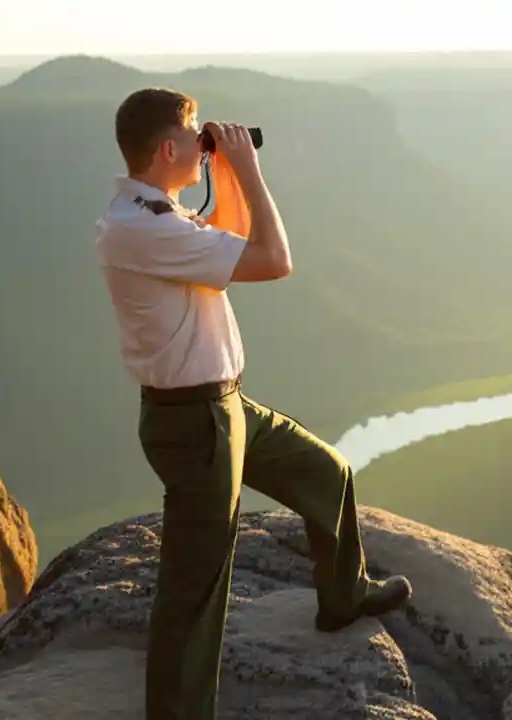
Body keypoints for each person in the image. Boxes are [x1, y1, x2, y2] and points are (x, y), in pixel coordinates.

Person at [93, 87, 411, 720]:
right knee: (198, 583)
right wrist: (252, 171)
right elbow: (274, 259)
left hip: (226, 408)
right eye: (192, 137)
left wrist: (226, 171)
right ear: (166, 147)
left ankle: (343, 595)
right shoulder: (143, 229)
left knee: (328, 473)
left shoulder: (157, 216)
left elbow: (232, 239)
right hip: (195, 421)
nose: (200, 145)